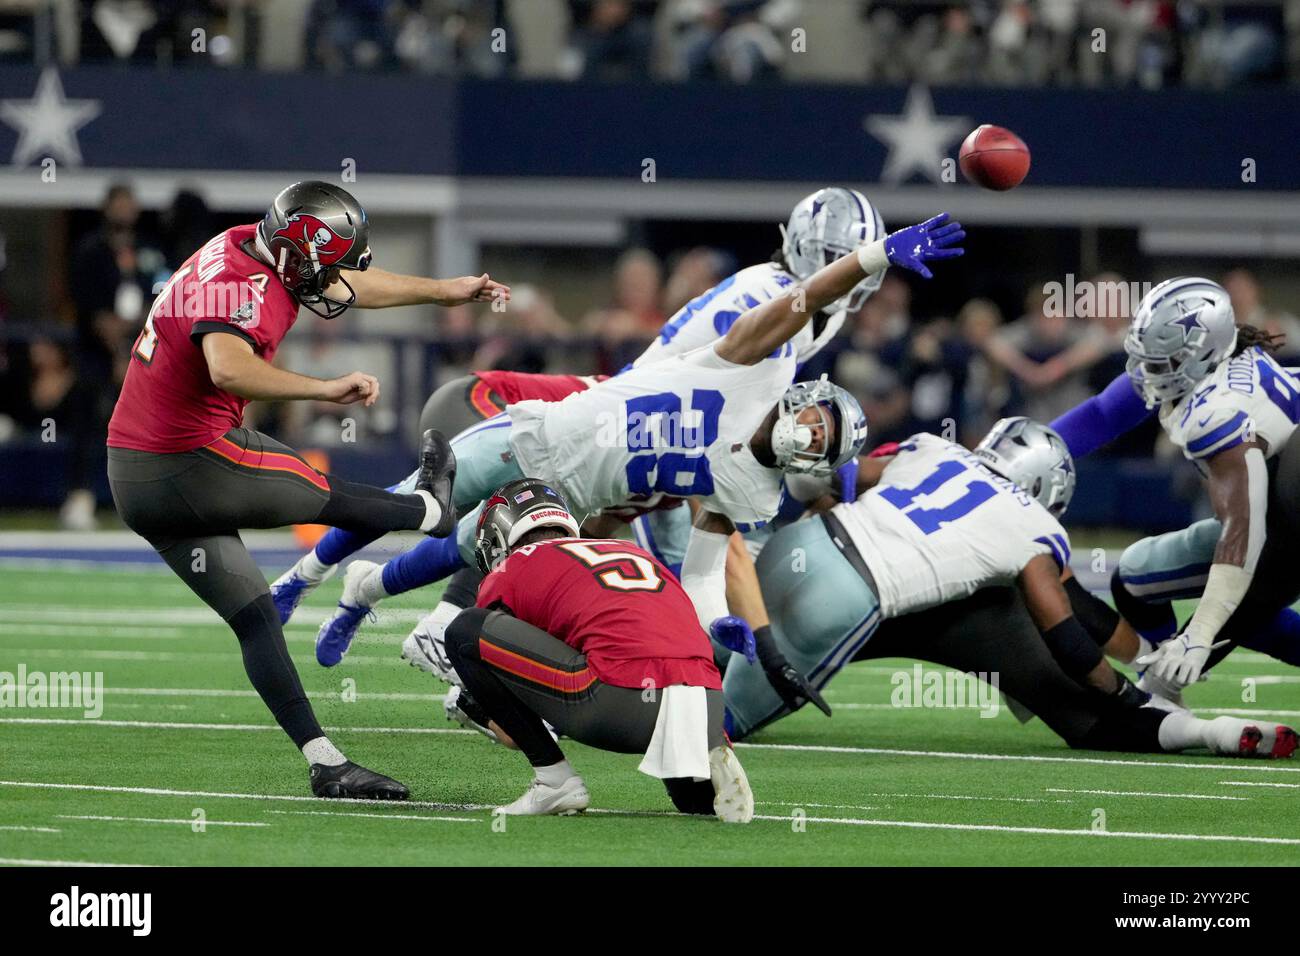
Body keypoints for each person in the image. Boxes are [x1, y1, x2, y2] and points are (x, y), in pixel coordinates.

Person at [303, 211, 963, 692]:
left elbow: (719, 551)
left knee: (570, 552)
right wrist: (872, 258)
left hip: (668, 444)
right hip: (615, 411)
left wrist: (732, 622)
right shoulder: (769, 306)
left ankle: (442, 630)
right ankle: (378, 597)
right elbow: (787, 316)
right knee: (476, 517)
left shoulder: (778, 420)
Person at [105, 180, 509, 800]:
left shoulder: (249, 245)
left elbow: (343, 282)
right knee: (326, 494)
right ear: (297, 256)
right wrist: (325, 387)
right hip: (187, 460)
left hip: (138, 474)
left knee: (255, 617)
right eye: (327, 265)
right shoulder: (245, 283)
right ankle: (430, 510)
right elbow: (227, 366)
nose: (335, 280)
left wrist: (440, 290)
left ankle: (325, 763)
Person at [721, 417, 1296, 759]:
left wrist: (1143, 654)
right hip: (859, 596)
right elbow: (1069, 630)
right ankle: (1207, 731)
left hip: (804, 547)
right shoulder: (1034, 528)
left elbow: (835, 479)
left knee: (709, 652)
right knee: (712, 728)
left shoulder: (932, 448)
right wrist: (1121, 690)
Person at [443, 478, 753, 820]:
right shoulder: (632, 551)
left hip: (619, 702)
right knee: (694, 804)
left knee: (465, 630)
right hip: (704, 703)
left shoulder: (515, 566)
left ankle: (554, 782)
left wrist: (484, 708)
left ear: (498, 541)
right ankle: (707, 755)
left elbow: (505, 698)